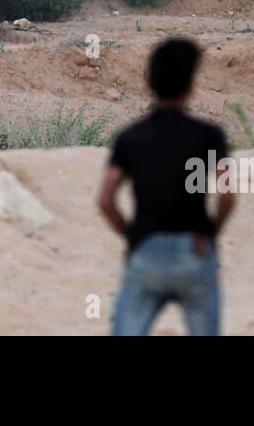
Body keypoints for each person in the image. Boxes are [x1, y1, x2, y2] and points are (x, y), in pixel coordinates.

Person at [97, 37, 236, 336]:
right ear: (191, 85)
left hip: (147, 251)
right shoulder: (209, 136)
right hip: (195, 248)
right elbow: (226, 195)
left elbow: (106, 201)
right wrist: (211, 233)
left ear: (148, 82)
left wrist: (132, 236)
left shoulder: (130, 138)